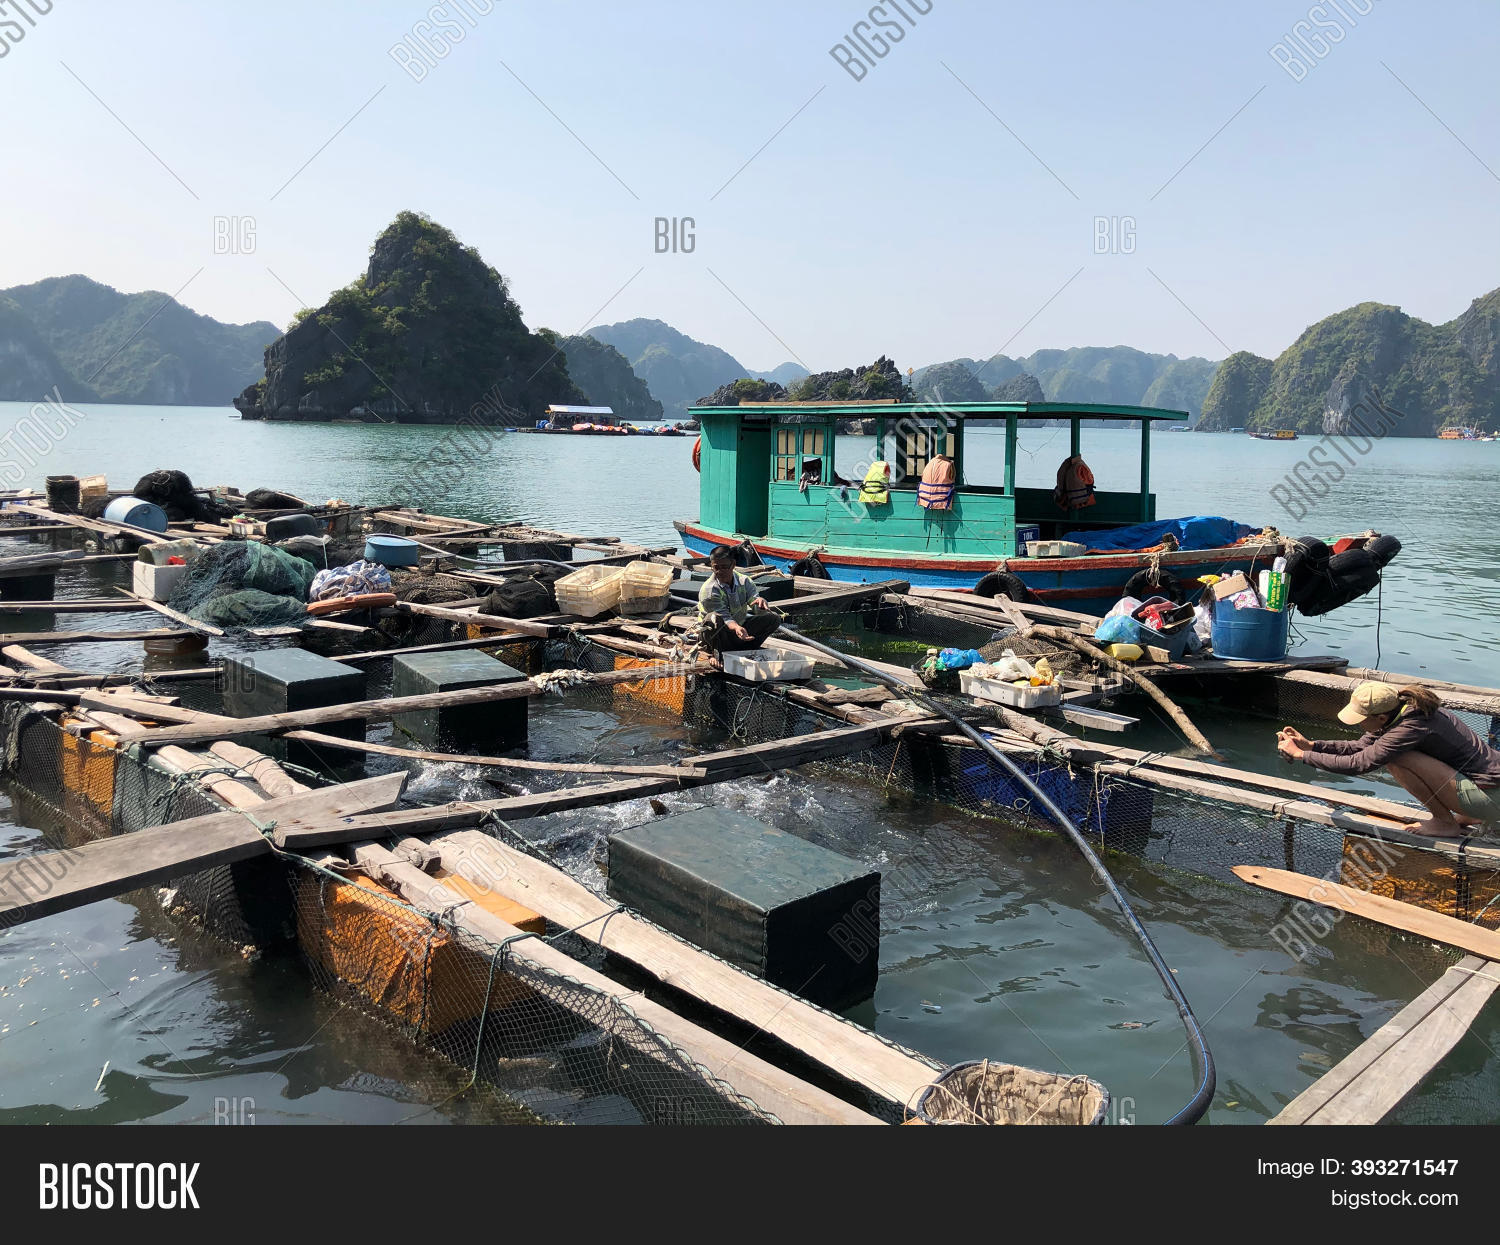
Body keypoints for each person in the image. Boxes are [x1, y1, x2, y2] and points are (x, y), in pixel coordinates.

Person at [1277, 681, 1500, 836]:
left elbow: (1359, 763)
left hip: (1489, 797)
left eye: (1362, 719)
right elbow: (1361, 747)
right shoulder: (1404, 712)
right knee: (1389, 754)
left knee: (1397, 759)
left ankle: (1444, 822)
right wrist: (1313, 746)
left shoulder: (1410, 727)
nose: (1359, 724)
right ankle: (1470, 815)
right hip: (1488, 792)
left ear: (1381, 717)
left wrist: (1301, 755)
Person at [696, 545, 783, 659]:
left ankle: (747, 648)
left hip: (738, 629)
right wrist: (736, 627)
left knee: (774, 618)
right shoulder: (709, 590)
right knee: (713, 618)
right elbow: (725, 617)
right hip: (714, 636)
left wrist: (760, 604)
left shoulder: (745, 580)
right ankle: (716, 653)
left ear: (733, 564)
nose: (719, 571)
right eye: (716, 567)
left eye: (724, 567)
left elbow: (754, 602)